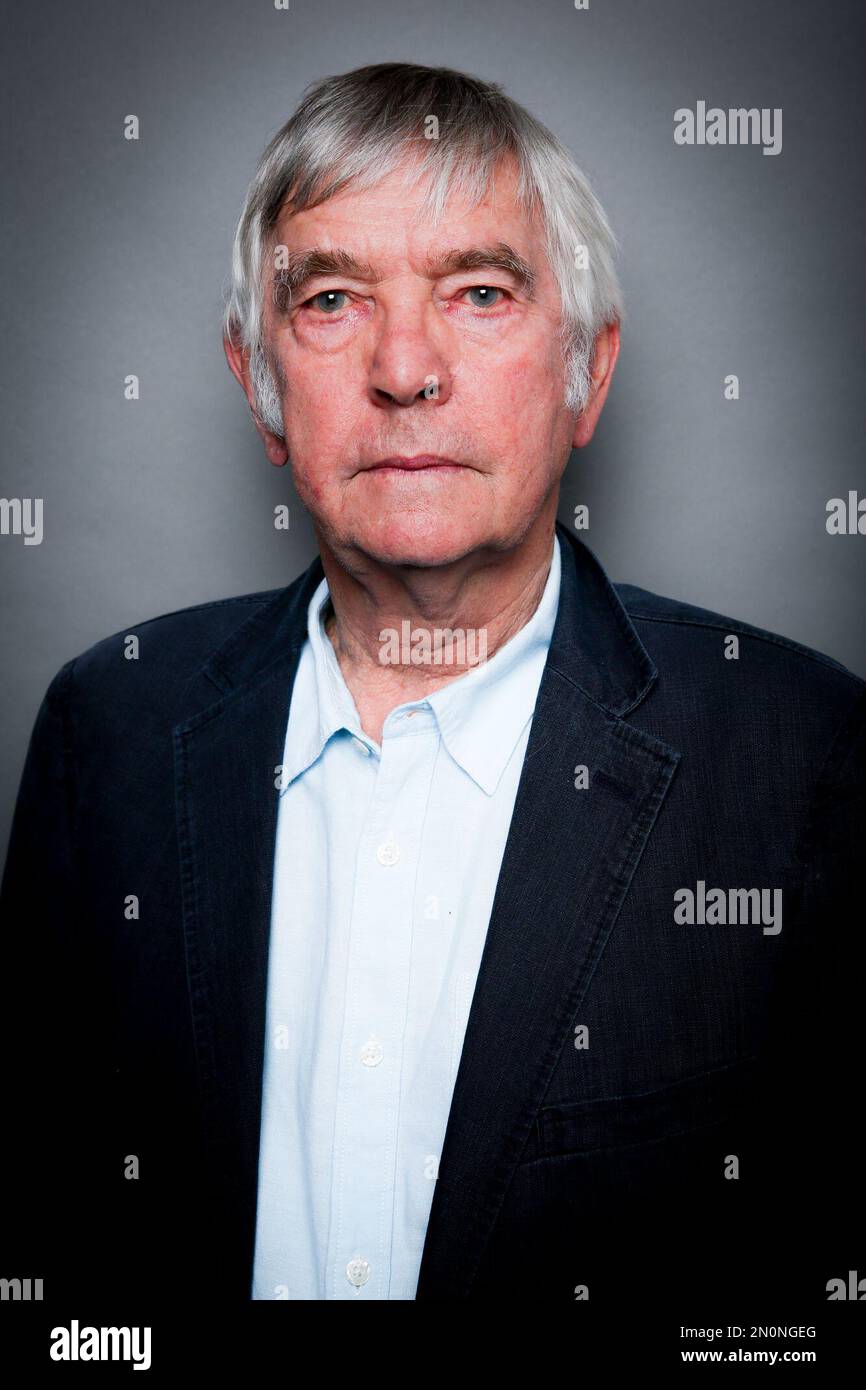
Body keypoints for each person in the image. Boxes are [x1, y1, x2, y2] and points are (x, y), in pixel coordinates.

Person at [1, 62, 862, 1306]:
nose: (405, 368)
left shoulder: (807, 760)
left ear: (587, 371)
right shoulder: (108, 727)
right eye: (335, 299)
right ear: (259, 386)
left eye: (478, 291)